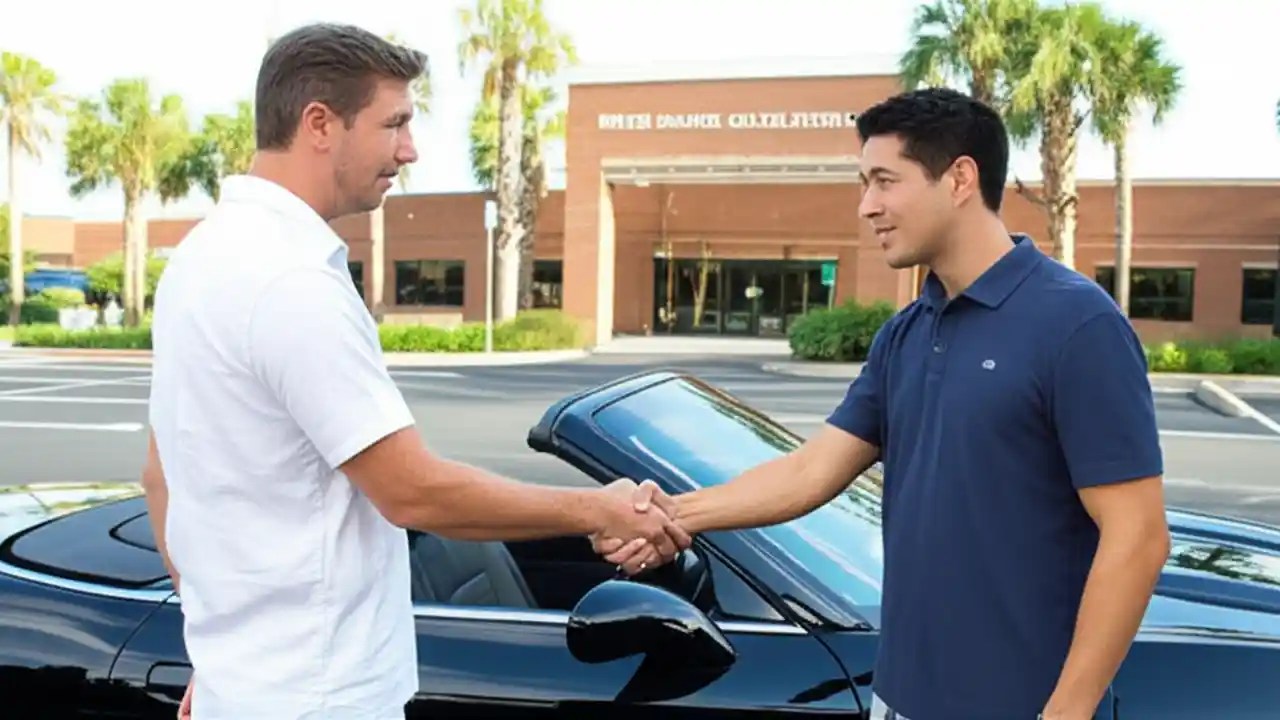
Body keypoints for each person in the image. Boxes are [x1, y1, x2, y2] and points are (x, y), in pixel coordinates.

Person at [142, 23, 687, 720]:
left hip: (248, 692)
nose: (410, 148)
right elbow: (411, 492)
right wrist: (596, 509)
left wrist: (228, 661)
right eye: (394, 122)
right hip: (320, 699)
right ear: (319, 125)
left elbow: (161, 477)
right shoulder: (291, 282)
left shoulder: (198, 259)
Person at [596, 87, 1170, 720]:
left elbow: (1138, 536)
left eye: (884, 181)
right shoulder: (906, 332)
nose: (866, 206)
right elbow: (810, 471)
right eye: (863, 183)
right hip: (899, 699)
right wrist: (676, 513)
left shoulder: (1075, 324)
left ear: (959, 179)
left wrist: (1067, 711)